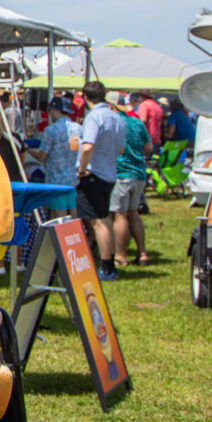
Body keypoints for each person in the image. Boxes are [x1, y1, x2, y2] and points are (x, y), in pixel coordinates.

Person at [75, 79, 126, 279]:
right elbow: (120, 149)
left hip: (94, 174)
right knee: (104, 218)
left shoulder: (94, 117)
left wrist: (81, 169)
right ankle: (108, 261)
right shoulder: (117, 118)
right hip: (110, 173)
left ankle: (105, 266)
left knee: (97, 222)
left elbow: (87, 146)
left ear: (86, 97)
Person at [109, 92, 153, 265]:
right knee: (133, 213)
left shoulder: (114, 123)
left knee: (120, 215)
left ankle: (120, 256)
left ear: (111, 106)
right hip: (139, 172)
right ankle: (142, 253)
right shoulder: (136, 122)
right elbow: (148, 147)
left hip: (121, 172)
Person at [27, 97, 81, 187]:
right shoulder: (76, 129)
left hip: (54, 183)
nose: (49, 113)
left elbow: (42, 157)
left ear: (56, 110)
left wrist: (27, 149)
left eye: (49, 110)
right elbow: (72, 150)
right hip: (72, 182)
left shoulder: (51, 130)